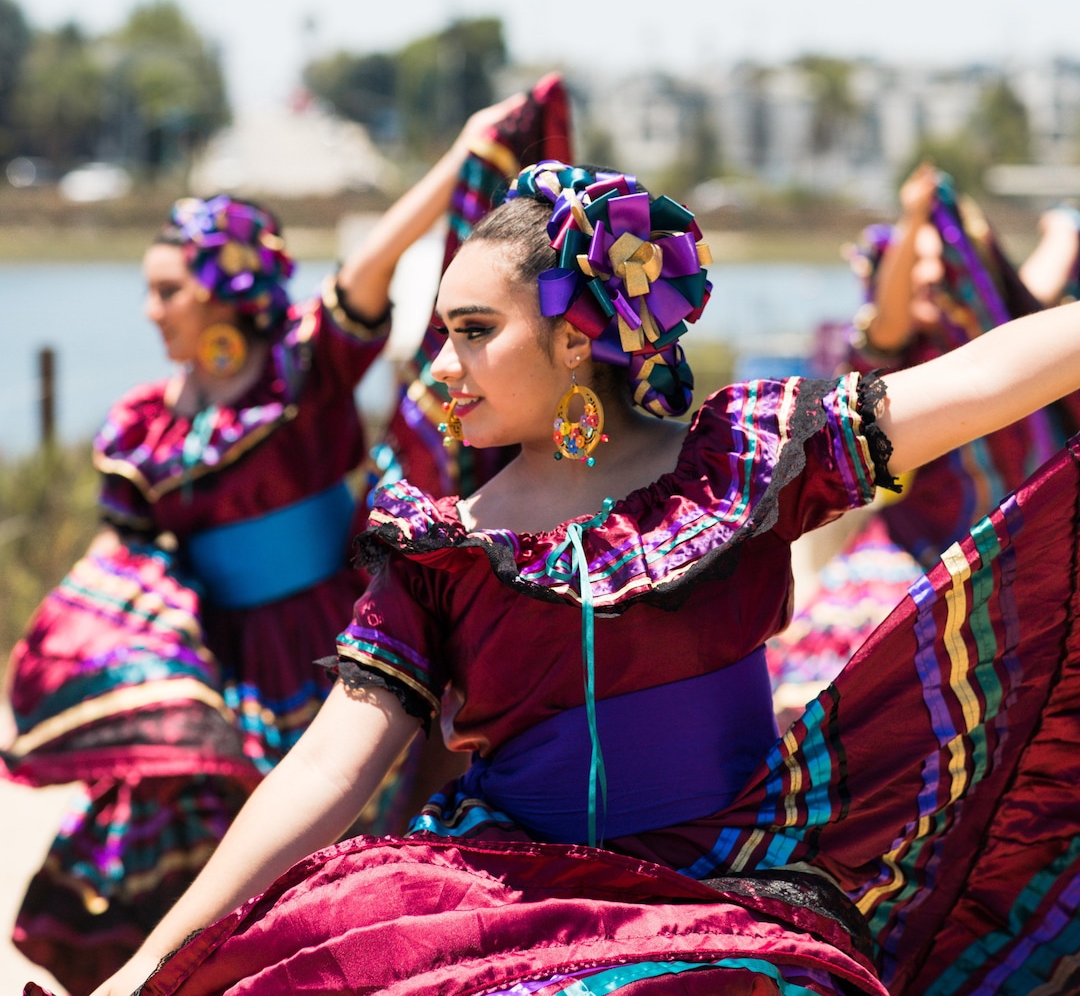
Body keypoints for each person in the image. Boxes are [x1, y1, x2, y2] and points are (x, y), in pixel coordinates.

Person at [77, 160, 1080, 996]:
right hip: (512, 895)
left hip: (731, 879)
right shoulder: (437, 546)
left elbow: (982, 380)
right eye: (443, 331)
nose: (441, 369)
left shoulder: (742, 461)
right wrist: (150, 962)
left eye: (475, 330)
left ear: (571, 337)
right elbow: (327, 769)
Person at [1, 94, 526, 995]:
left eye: (165, 290)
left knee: (342, 844)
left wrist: (461, 155)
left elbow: (374, 262)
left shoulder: (302, 370)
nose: (148, 309)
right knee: (192, 847)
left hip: (341, 640)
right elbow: (132, 562)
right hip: (225, 660)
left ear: (220, 291)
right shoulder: (142, 430)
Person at [769, 163, 1080, 712]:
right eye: (917, 260)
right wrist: (915, 218)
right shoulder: (894, 352)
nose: (931, 271)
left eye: (943, 257)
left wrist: (1062, 227)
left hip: (1008, 534)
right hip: (924, 538)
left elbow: (1039, 288)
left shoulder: (1000, 336)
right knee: (863, 662)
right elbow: (887, 315)